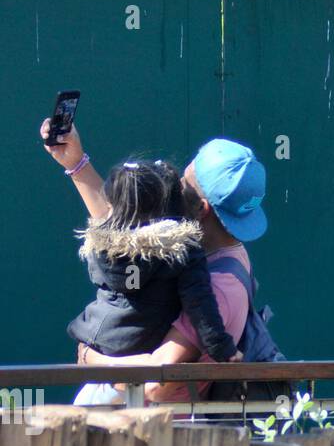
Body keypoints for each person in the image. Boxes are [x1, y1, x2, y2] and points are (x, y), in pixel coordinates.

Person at [41, 121, 268, 403]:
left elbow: (155, 383)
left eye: (182, 186)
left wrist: (91, 358)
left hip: (158, 432)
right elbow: (122, 229)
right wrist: (76, 163)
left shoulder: (220, 286)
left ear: (201, 209)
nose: (173, 190)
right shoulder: (220, 252)